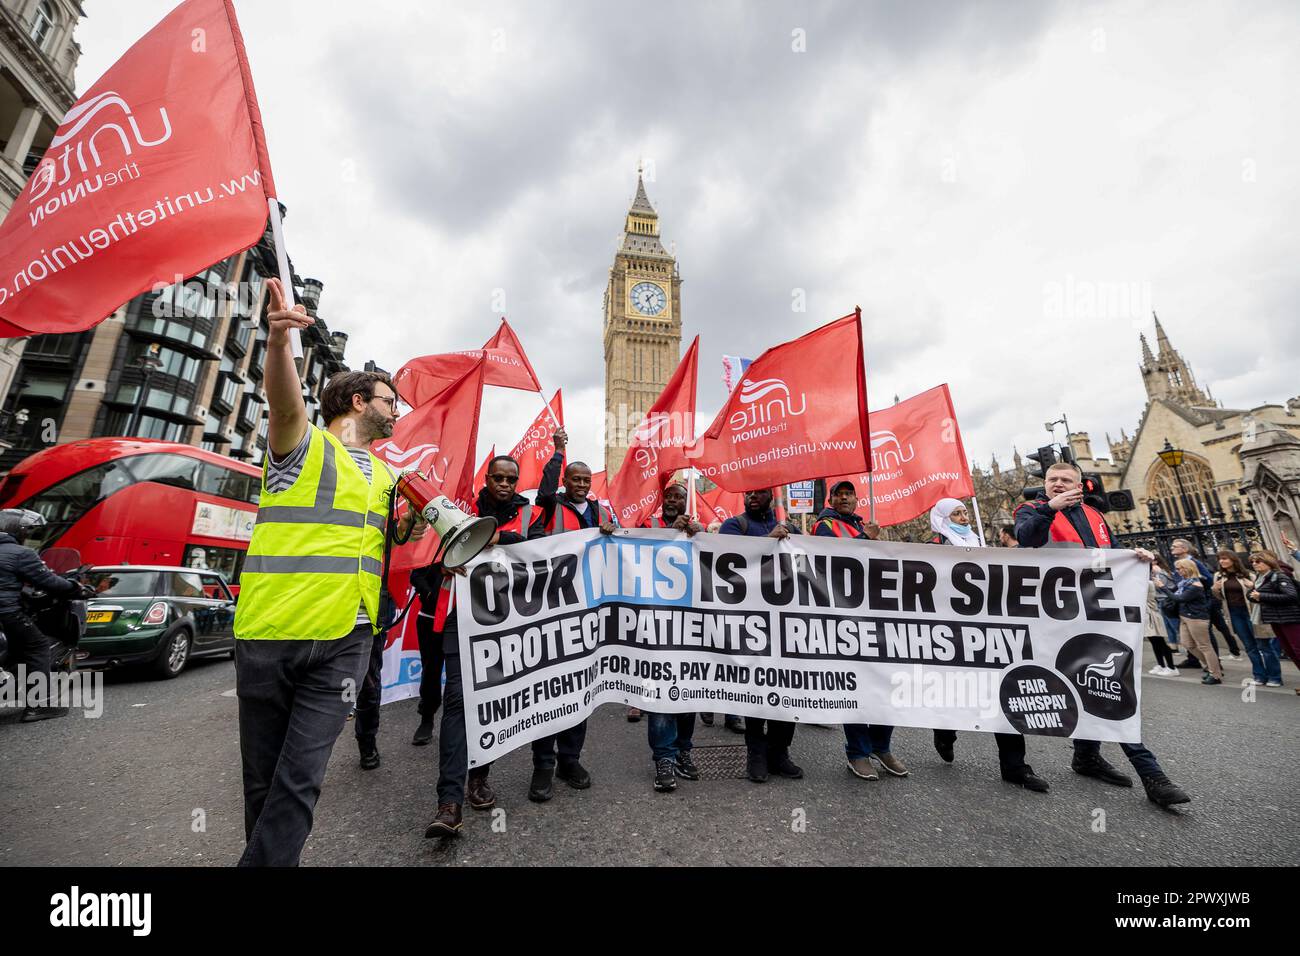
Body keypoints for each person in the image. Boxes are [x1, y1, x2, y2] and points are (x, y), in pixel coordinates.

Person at [232, 278, 425, 867]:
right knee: (263, 783)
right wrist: (277, 344)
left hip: (346, 637)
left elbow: (398, 540)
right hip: (270, 632)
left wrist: (417, 522)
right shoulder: (303, 445)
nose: (398, 411)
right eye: (391, 400)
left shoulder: (392, 476)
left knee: (300, 778)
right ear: (359, 403)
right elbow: (285, 403)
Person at [1015, 461, 1190, 808]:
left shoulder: (1096, 516)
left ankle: (1086, 756)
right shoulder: (1032, 509)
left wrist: (1136, 556)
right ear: (1045, 484)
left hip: (1096, 614)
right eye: (1053, 480)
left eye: (1066, 480)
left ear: (1080, 485)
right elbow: (1027, 539)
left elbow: (1113, 554)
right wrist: (1050, 509)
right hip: (1056, 618)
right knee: (1106, 688)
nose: (1059, 484)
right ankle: (1150, 773)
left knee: (1102, 685)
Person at [422, 455, 533, 836]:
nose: (505, 483)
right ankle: (448, 803)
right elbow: (422, 552)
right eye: (498, 477)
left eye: (511, 478)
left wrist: (499, 537)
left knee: (491, 700)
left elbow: (541, 547)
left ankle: (478, 776)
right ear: (487, 478)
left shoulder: (527, 512)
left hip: (507, 622)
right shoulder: (458, 508)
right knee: (457, 699)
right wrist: (441, 560)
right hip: (459, 617)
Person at [929, 497, 1048, 792]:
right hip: (953, 632)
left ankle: (1015, 767)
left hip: (990, 630)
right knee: (956, 691)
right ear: (943, 517)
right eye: (956, 512)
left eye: (964, 511)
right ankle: (944, 730)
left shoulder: (980, 540)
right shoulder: (934, 547)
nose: (963, 515)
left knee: (1002, 694)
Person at [525, 427, 615, 802]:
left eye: (584, 479)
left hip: (589, 612)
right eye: (574, 480)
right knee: (551, 689)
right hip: (553, 609)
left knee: (580, 687)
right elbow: (545, 489)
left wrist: (611, 532)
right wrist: (559, 450)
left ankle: (570, 760)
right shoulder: (550, 505)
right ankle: (543, 765)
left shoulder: (600, 510)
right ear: (566, 481)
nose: (580, 484)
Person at [814, 481, 908, 781]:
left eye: (849, 494)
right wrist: (863, 539)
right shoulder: (824, 525)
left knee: (885, 682)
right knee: (855, 685)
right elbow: (830, 561)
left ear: (856, 499)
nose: (844, 498)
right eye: (839, 495)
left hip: (876, 616)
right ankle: (857, 752)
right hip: (844, 617)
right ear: (831, 499)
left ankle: (881, 746)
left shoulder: (864, 524)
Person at [719, 488, 804, 783]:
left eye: (759, 492)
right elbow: (727, 565)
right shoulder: (735, 525)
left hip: (785, 623)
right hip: (750, 623)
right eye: (749, 492)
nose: (752, 496)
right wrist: (768, 543)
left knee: (787, 689)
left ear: (772, 496)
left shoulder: (790, 528)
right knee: (756, 689)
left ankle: (780, 753)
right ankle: (756, 754)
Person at [638, 480, 704, 792]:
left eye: (679, 496)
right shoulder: (647, 525)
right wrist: (667, 533)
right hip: (655, 625)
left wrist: (697, 535)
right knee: (661, 694)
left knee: (687, 692)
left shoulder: (697, 530)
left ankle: (683, 750)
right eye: (669, 495)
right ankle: (663, 757)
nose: (673, 500)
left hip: (688, 626)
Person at [0, 509, 91, 721]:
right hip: (6, 613)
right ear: (17, 530)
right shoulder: (20, 553)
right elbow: (49, 582)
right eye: (28, 532)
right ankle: (39, 705)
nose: (27, 537)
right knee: (37, 646)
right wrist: (75, 587)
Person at [1213, 550, 1279, 686]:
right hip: (1234, 613)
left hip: (1252, 612)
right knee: (1250, 647)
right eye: (1220, 559)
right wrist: (1215, 589)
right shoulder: (1219, 576)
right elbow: (1220, 598)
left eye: (1225, 558)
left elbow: (1260, 594)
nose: (1222, 561)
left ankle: (1275, 677)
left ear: (1233, 560)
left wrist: (1252, 586)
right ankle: (1259, 675)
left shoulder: (1248, 575)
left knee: (1264, 646)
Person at [1170, 538, 1240, 660]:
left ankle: (1215, 660)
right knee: (1192, 637)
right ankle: (1195, 659)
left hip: (1201, 601)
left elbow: (1208, 579)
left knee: (1208, 633)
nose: (1172, 548)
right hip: (1188, 604)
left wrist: (1195, 590)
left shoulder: (1194, 562)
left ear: (1185, 549)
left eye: (1175, 546)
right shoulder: (1179, 562)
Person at [1160, 559, 1222, 684]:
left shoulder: (1196, 585)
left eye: (1180, 568)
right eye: (1177, 569)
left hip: (1197, 618)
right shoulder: (1184, 583)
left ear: (1188, 568)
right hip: (1184, 616)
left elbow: (1180, 598)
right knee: (1187, 644)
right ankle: (1210, 666)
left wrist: (1162, 587)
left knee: (1205, 646)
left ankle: (1215, 674)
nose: (1178, 571)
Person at [1247, 550, 1299, 687]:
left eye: (1258, 561)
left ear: (1268, 562)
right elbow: (1252, 594)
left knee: (1297, 649)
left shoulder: (1279, 576)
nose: (1254, 564)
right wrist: (1254, 595)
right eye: (1252, 562)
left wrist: (1262, 597)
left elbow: (1291, 596)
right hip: (1275, 619)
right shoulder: (1261, 578)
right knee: (1289, 650)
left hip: (1290, 618)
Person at [1143, 564, 1178, 676]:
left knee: (1160, 642)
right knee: (1154, 642)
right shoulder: (1144, 582)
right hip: (1147, 615)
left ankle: (1172, 668)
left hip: (1151, 615)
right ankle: (1161, 665)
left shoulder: (1147, 583)